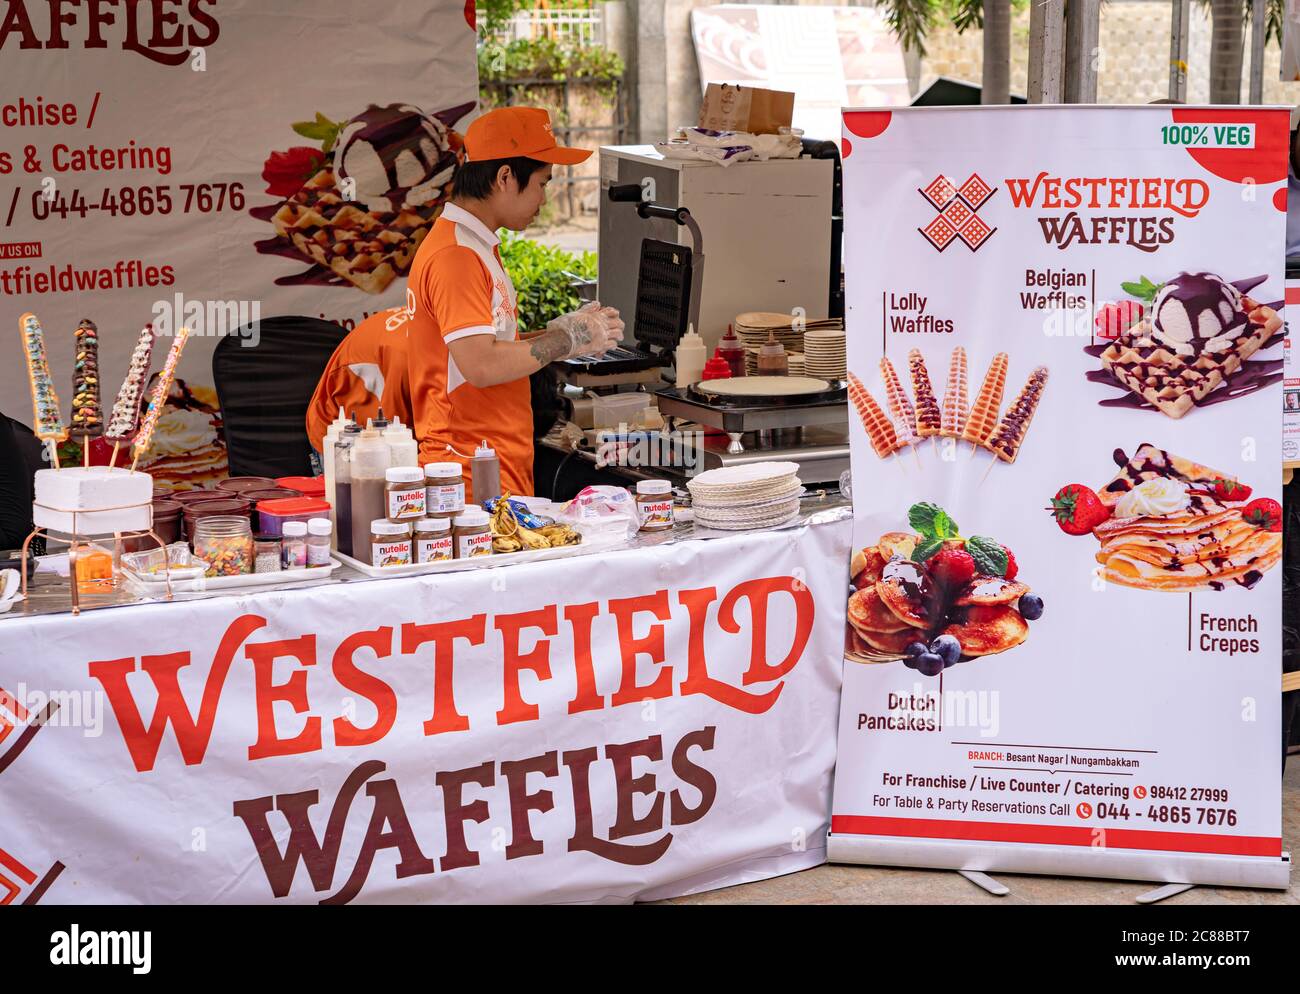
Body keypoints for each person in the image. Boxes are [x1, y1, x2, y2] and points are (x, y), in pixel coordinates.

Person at [404, 106, 624, 498]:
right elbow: (482, 365)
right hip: (469, 466)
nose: (544, 197)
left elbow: (494, 344)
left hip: (493, 458)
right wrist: (568, 339)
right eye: (542, 182)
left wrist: (565, 330)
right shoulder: (457, 255)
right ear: (505, 176)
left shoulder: (474, 244)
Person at [305, 306, 412, 450]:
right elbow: (397, 435)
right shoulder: (404, 355)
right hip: (340, 442)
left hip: (377, 434)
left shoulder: (428, 324)